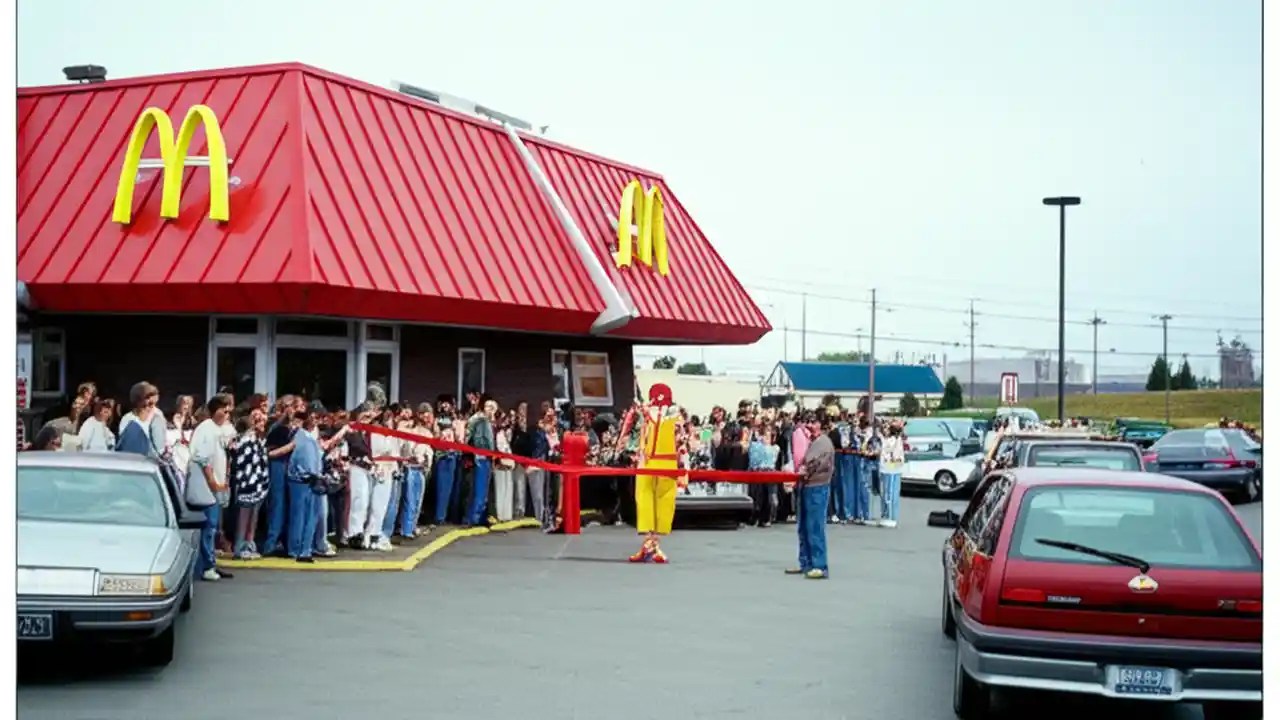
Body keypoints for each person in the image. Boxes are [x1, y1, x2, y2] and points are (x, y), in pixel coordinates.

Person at [629, 383, 687, 563]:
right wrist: (683, 471)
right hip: (666, 462)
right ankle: (653, 544)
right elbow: (683, 443)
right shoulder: (677, 415)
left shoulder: (647, 413)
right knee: (662, 501)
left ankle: (650, 543)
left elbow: (638, 439)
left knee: (647, 498)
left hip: (649, 462)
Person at [190, 394, 235, 581]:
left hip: (217, 483)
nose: (226, 411)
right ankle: (206, 566)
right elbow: (203, 458)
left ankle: (211, 563)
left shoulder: (221, 429)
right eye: (222, 408)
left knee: (214, 525)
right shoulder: (206, 429)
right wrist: (212, 482)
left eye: (228, 408)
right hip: (207, 485)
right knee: (208, 525)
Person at [787, 412, 833, 579]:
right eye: (808, 422)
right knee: (803, 527)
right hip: (806, 486)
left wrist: (804, 471)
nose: (810, 425)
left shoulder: (824, 443)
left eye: (813, 422)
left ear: (821, 424)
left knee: (815, 527)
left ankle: (819, 565)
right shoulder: (811, 442)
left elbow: (817, 463)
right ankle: (806, 563)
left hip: (817, 487)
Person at [262, 396, 300, 557]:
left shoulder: (297, 425)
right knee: (277, 502)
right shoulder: (273, 423)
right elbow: (270, 436)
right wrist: (285, 417)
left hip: (292, 463)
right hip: (277, 462)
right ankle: (271, 543)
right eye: (290, 407)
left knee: (291, 503)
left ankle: (288, 542)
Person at [286, 407, 325, 563]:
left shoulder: (311, 437)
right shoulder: (300, 436)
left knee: (311, 516)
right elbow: (301, 460)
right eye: (312, 417)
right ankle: (296, 549)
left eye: (317, 417)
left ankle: (305, 549)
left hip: (312, 480)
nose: (315, 420)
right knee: (299, 516)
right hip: (301, 481)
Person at [230, 409, 270, 559]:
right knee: (244, 516)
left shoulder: (259, 440)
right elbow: (244, 462)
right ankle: (239, 547)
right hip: (247, 483)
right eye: (258, 422)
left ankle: (249, 543)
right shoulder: (246, 441)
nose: (262, 425)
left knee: (254, 516)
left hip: (259, 483)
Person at [464, 399, 497, 527]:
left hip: (483, 457)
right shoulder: (481, 421)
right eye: (489, 407)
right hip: (482, 456)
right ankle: (474, 518)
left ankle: (480, 516)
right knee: (480, 488)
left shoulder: (483, 421)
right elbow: (482, 439)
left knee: (482, 489)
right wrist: (490, 453)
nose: (491, 411)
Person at [747, 426, 780, 527]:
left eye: (769, 435)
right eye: (765, 435)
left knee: (769, 496)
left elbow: (773, 459)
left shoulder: (775, 448)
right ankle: (756, 516)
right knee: (758, 496)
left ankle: (766, 517)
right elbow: (753, 460)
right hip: (759, 472)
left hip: (770, 473)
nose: (767, 438)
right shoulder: (755, 446)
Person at [878, 420, 906, 528]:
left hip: (892, 469)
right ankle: (885, 514)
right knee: (885, 492)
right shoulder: (884, 439)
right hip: (885, 468)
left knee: (891, 493)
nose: (885, 429)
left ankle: (891, 516)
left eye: (887, 428)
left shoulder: (896, 440)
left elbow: (897, 455)